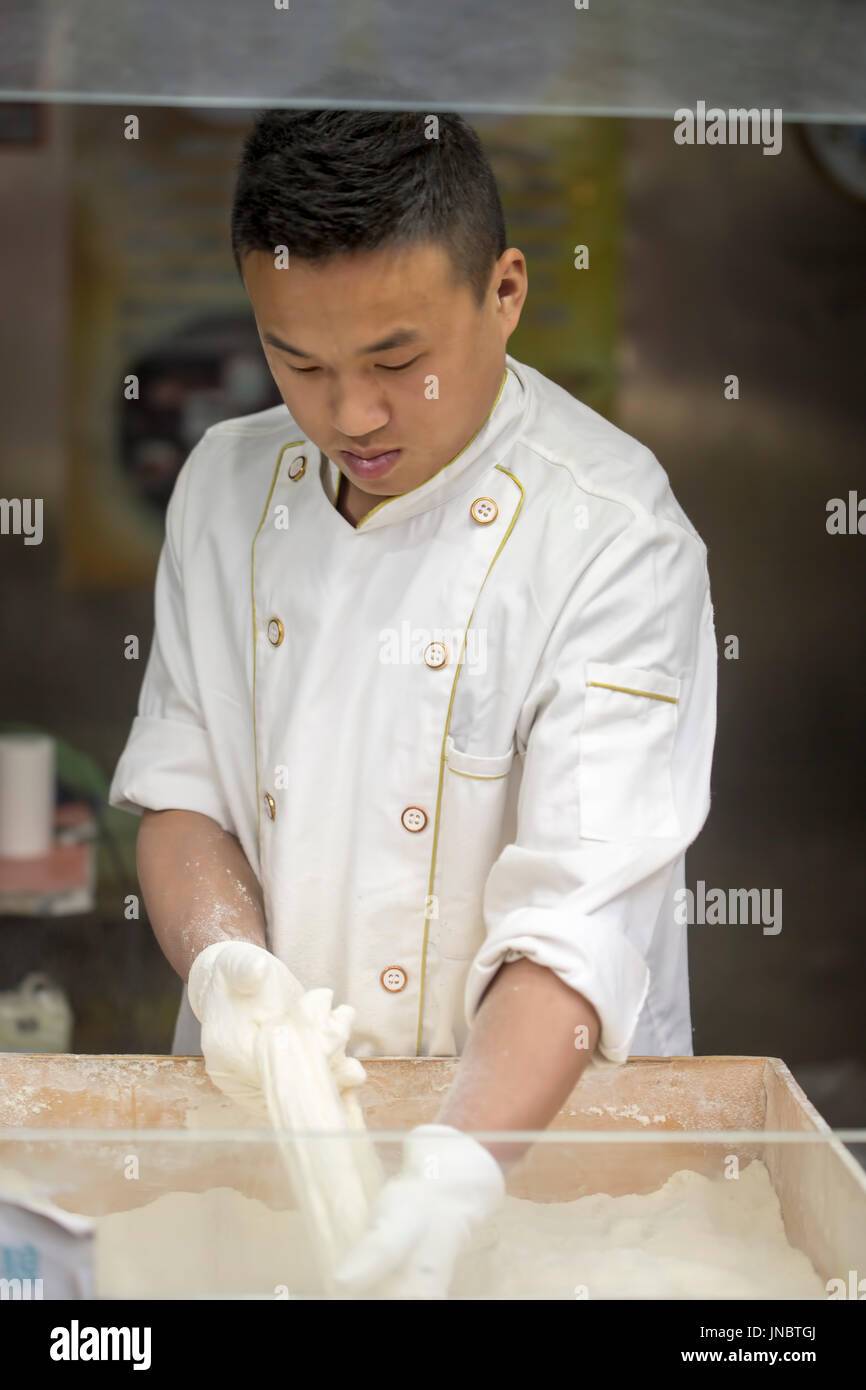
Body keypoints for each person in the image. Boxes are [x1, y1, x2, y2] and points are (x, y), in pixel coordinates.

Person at [108, 108, 717, 1297]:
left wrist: (457, 1166)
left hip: (534, 1169)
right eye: (297, 362)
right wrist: (229, 971)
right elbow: (182, 802)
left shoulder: (612, 534)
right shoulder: (225, 489)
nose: (351, 416)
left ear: (503, 291)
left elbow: (578, 920)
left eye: (396, 360)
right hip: (267, 1156)